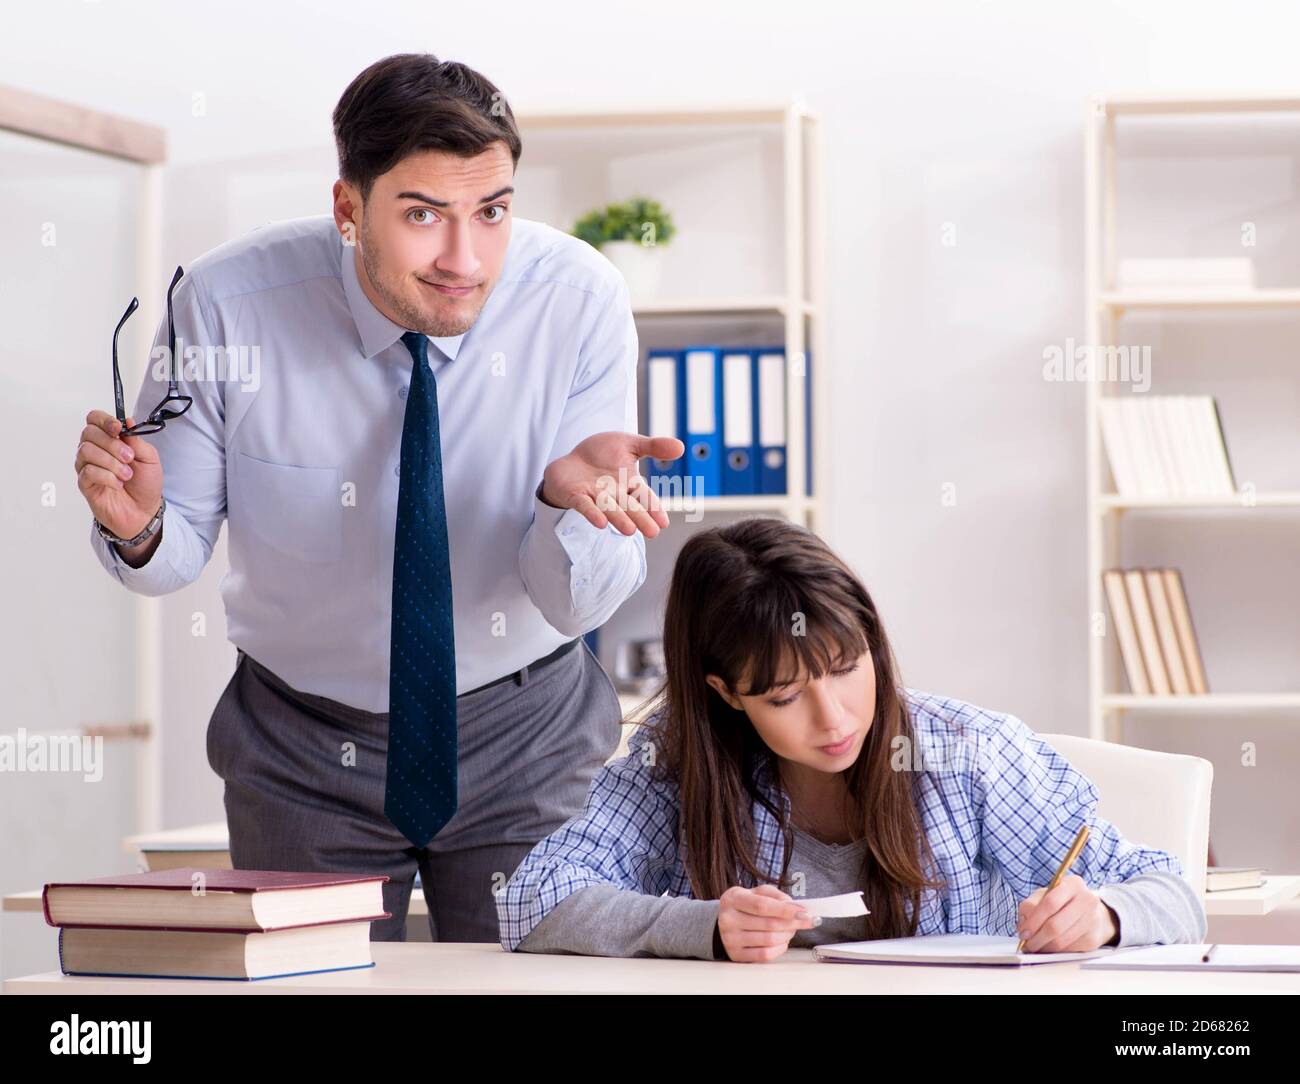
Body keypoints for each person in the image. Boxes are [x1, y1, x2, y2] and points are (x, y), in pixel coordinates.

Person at [73, 52, 681, 942]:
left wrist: (565, 504)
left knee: (545, 988)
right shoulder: (226, 305)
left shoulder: (577, 300)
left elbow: (573, 598)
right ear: (348, 210)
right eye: (423, 215)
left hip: (527, 734)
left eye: (493, 212)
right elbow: (169, 560)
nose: (464, 259)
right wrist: (138, 529)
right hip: (303, 747)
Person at [497, 517, 1207, 962]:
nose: (834, 718)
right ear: (724, 693)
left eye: (845, 670)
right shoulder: (675, 759)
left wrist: (1106, 917)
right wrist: (700, 926)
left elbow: (1174, 891)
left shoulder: (967, 752)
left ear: (873, 642)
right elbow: (532, 899)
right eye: (783, 697)